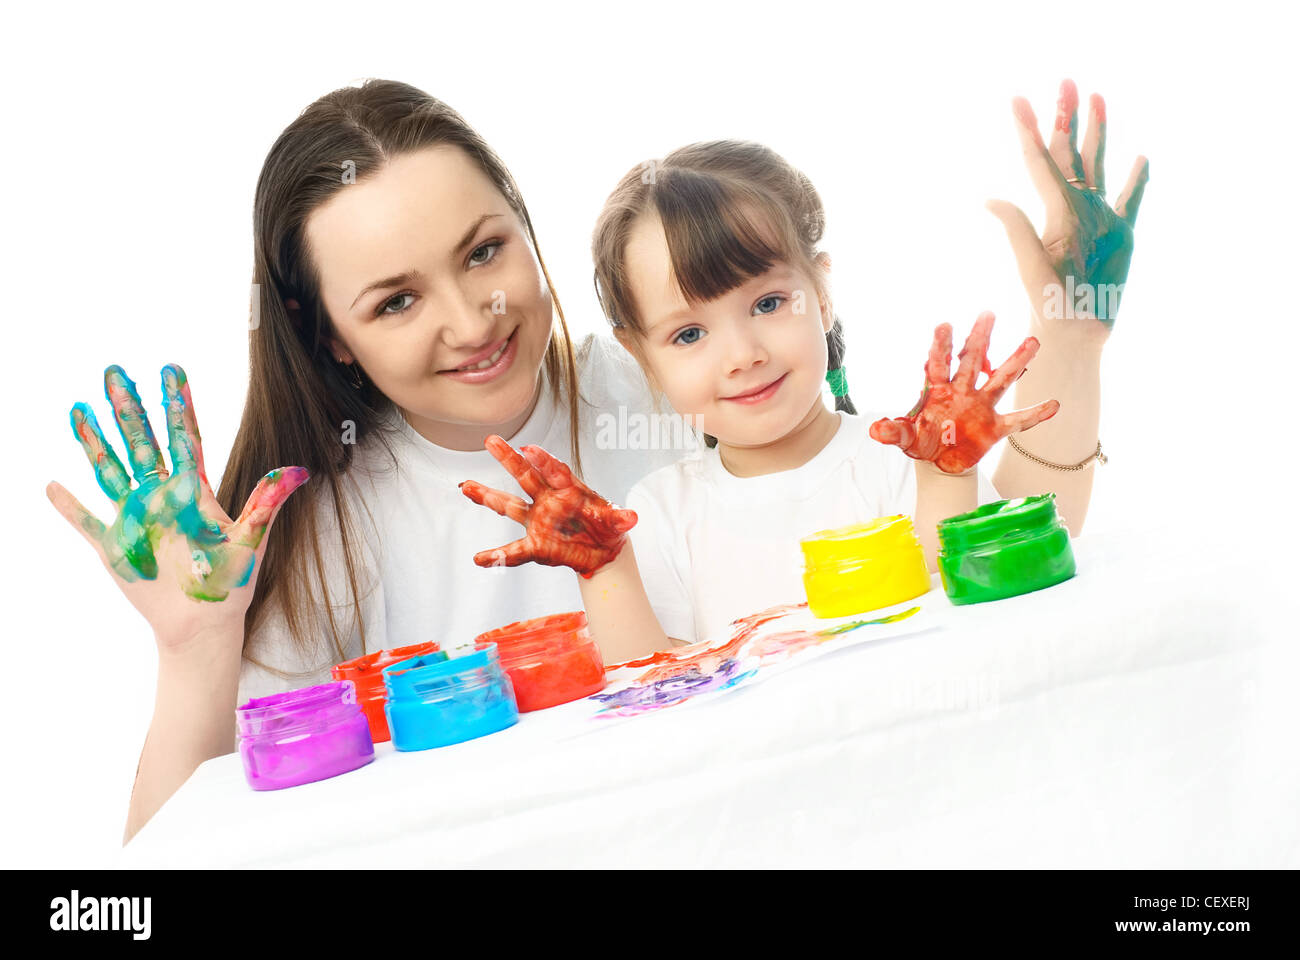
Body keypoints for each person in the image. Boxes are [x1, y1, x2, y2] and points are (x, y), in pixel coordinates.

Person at [44, 79, 687, 844]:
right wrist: (196, 651)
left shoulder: (679, 383)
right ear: (330, 337)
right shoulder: (320, 532)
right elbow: (163, 860)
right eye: (396, 302)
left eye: (484, 252)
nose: (469, 322)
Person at [460, 80, 1148, 653]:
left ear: (821, 292)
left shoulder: (902, 461)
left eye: (767, 301)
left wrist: (1058, 355)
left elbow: (984, 609)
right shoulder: (662, 514)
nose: (743, 354)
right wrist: (605, 568)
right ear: (641, 355)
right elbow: (657, 685)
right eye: (690, 332)